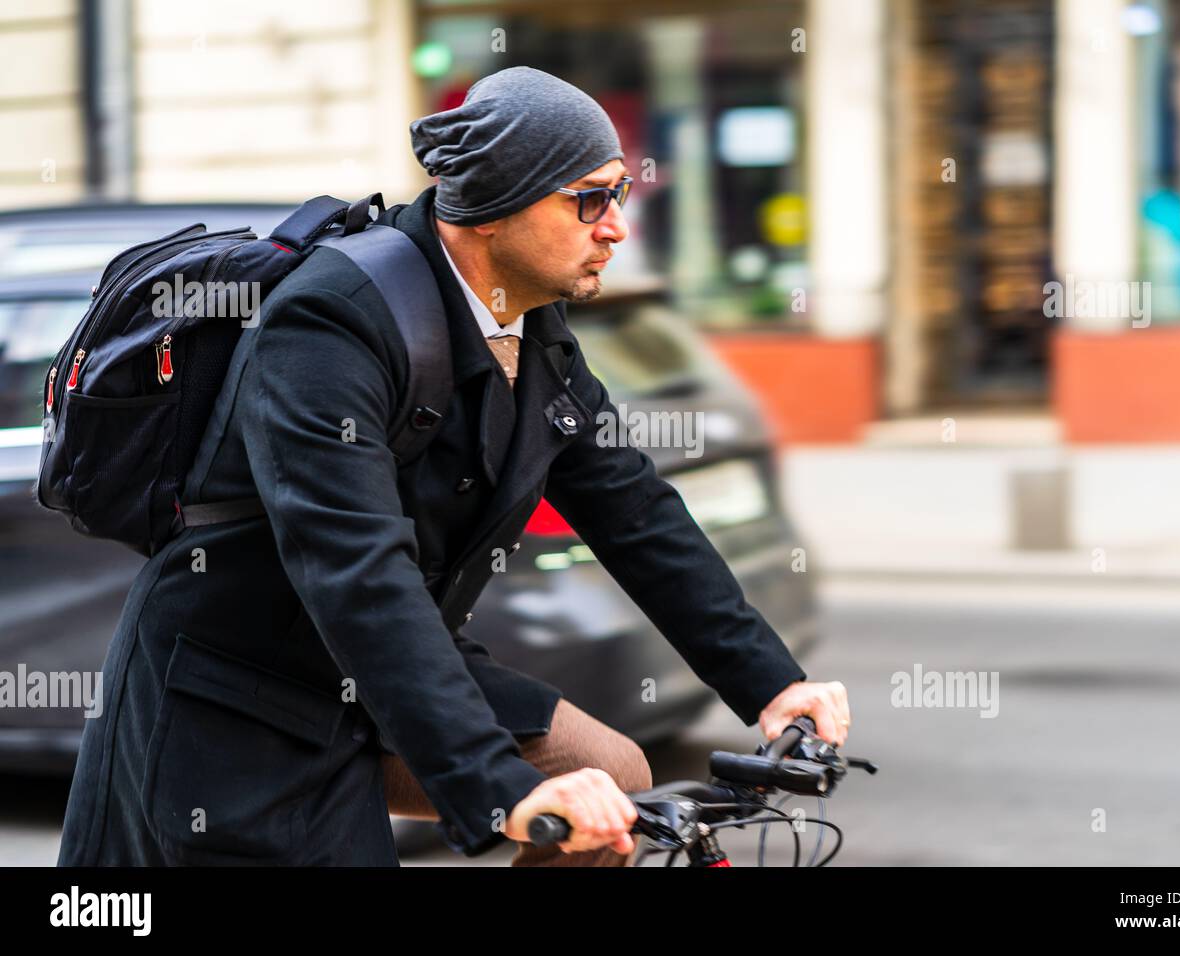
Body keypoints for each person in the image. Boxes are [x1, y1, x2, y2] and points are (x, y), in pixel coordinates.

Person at [56, 66, 850, 868]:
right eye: (591, 198)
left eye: (620, 196)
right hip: (244, 693)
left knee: (607, 776)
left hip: (383, 675)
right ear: (497, 209)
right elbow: (356, 567)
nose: (616, 226)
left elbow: (634, 510)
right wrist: (496, 784)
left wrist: (770, 685)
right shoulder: (330, 323)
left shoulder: (530, 329)